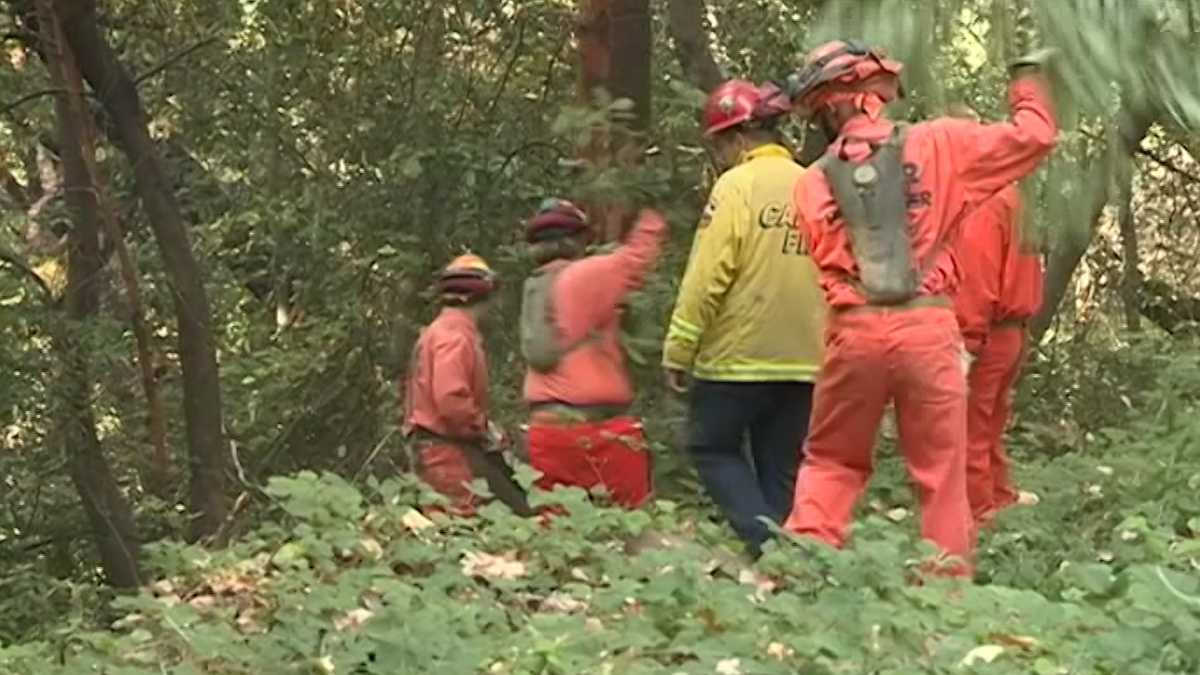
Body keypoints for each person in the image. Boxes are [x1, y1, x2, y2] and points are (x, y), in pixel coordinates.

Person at [779, 40, 1058, 575]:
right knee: (941, 474)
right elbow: (1035, 136)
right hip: (927, 327)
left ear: (822, 108)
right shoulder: (940, 144)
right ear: (873, 94)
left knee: (832, 462)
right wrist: (1029, 80)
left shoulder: (811, 183)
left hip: (852, 331)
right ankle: (946, 597)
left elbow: (825, 258)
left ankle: (800, 577)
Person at [662, 79, 826, 555]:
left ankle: (766, 544)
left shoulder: (737, 186)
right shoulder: (813, 184)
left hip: (738, 357)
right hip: (803, 359)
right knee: (781, 467)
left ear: (736, 138)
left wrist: (680, 348)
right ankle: (784, 567)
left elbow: (708, 276)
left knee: (711, 447)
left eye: (718, 145)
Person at [520, 200, 667, 508]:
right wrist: (654, 212)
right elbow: (638, 258)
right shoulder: (586, 276)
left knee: (554, 530)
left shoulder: (533, 288)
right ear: (578, 240)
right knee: (632, 523)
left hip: (545, 430)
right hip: (600, 431)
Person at [402, 254, 532, 516]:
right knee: (464, 524)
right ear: (483, 296)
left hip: (440, 447)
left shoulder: (439, 331)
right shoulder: (455, 336)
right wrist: (484, 429)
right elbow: (451, 400)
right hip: (447, 450)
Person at [953, 174, 1043, 526]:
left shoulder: (983, 202)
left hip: (989, 333)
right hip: (1013, 331)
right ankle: (998, 493)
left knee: (971, 424)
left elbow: (978, 278)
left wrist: (968, 343)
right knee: (991, 420)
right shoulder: (1012, 198)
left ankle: (978, 510)